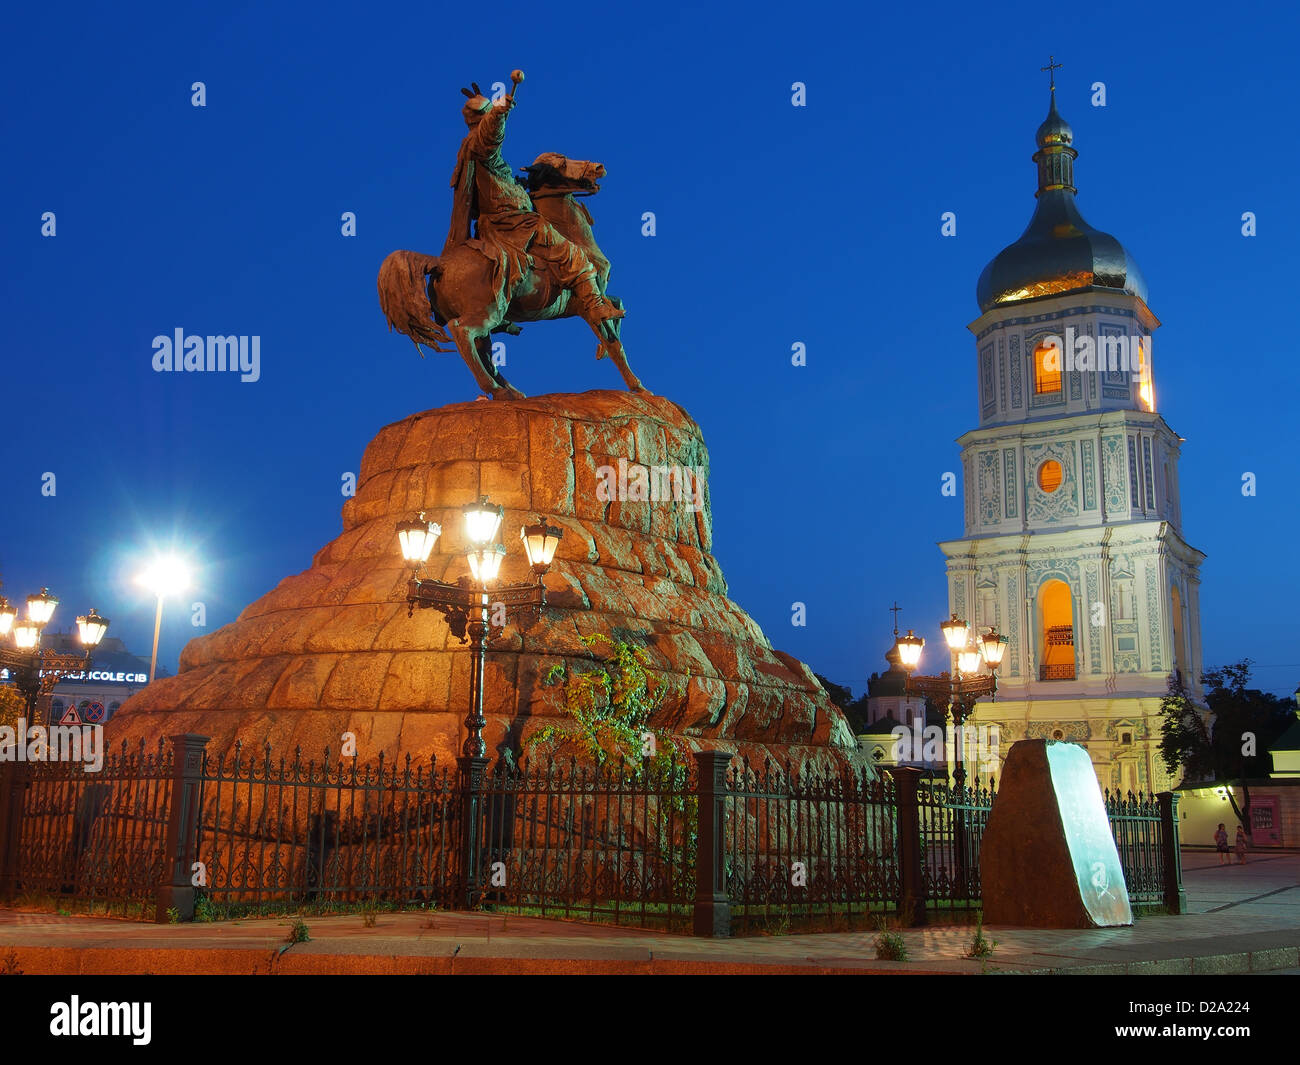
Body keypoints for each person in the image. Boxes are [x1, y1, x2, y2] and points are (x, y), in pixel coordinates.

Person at [444, 86, 623, 322]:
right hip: (515, 224)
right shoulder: (480, 145)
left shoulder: (468, 150)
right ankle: (595, 305)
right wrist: (498, 113)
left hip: (497, 224)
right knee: (573, 253)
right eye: (487, 115)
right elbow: (491, 137)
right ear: (483, 118)